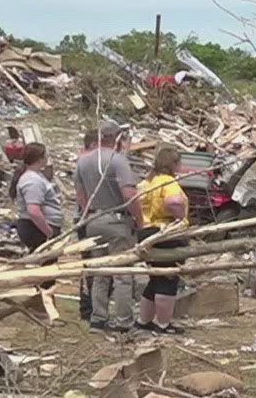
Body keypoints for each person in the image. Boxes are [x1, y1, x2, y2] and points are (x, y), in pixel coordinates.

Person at [73, 120, 145, 333]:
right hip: (116, 220)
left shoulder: (83, 161)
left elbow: (80, 195)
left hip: (94, 218)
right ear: (117, 138)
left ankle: (98, 317)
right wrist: (140, 220)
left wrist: (89, 213)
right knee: (122, 273)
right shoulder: (118, 160)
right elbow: (129, 193)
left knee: (100, 271)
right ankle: (124, 320)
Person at [136, 147, 190, 334]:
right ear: (174, 164)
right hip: (165, 232)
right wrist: (180, 218)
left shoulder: (147, 182)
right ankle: (164, 324)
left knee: (155, 277)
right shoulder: (168, 182)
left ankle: (144, 320)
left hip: (146, 231)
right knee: (168, 277)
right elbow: (174, 201)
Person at [12, 143, 61, 253]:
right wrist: (49, 232)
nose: (48, 158)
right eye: (46, 155)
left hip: (38, 227)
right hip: (37, 229)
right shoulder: (32, 181)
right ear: (39, 159)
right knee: (44, 260)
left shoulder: (36, 175)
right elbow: (33, 211)